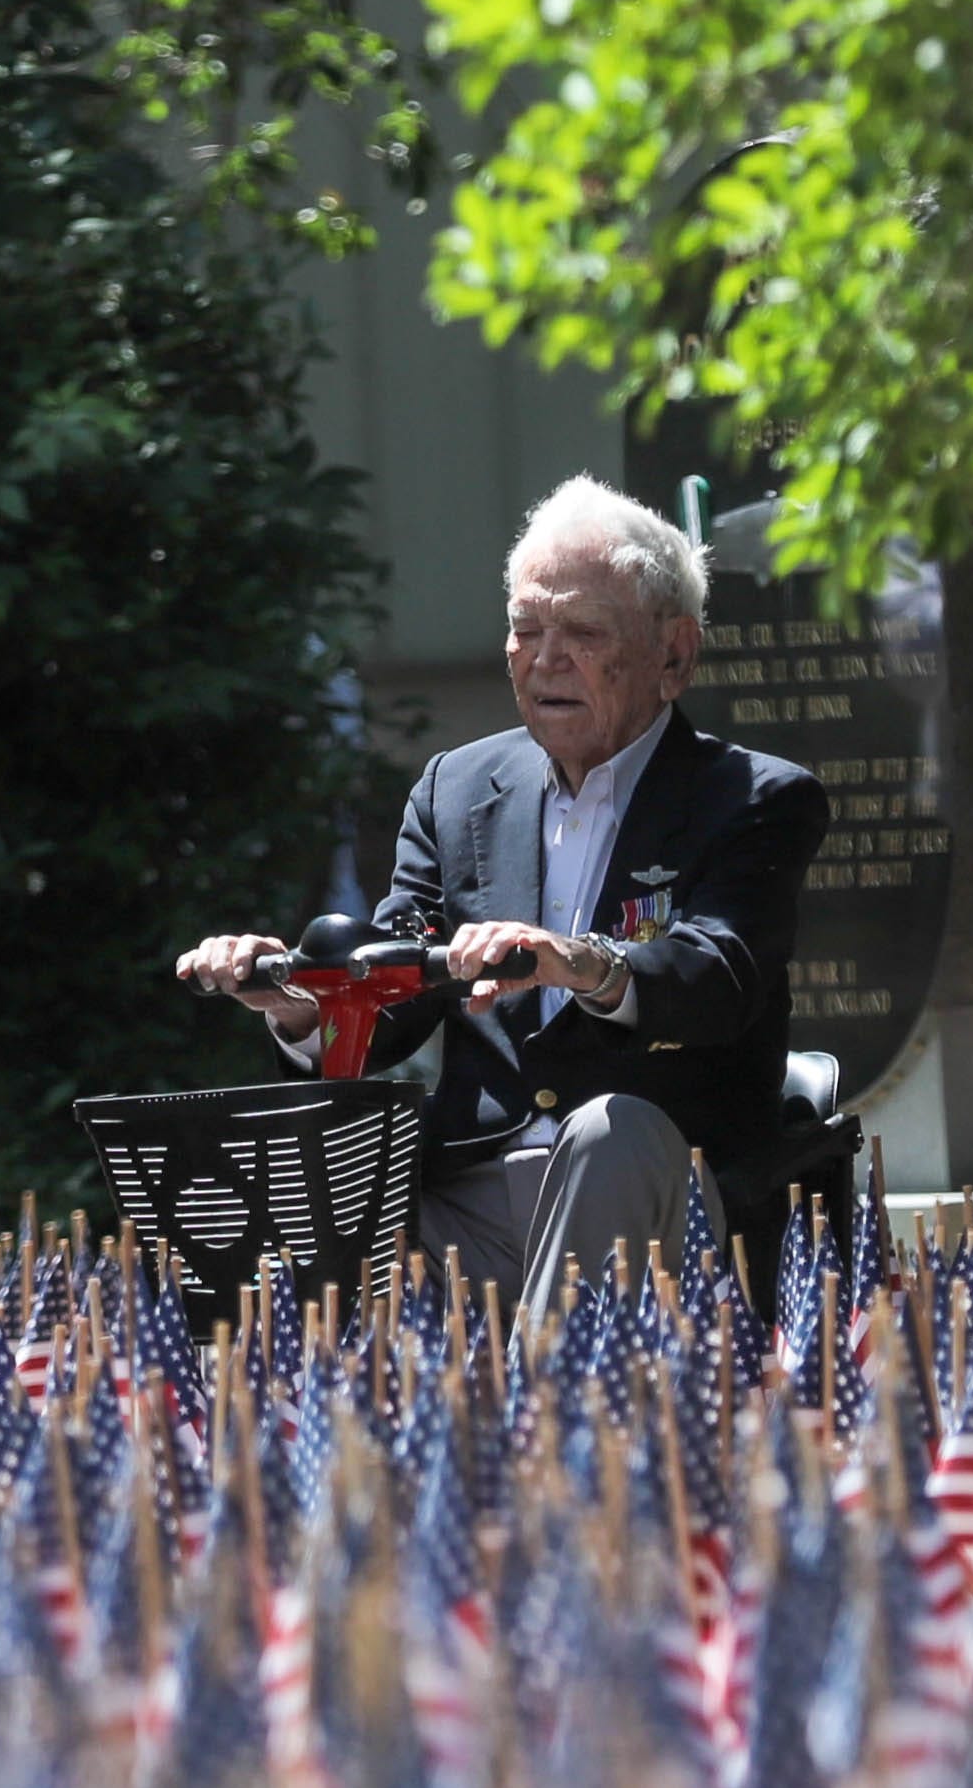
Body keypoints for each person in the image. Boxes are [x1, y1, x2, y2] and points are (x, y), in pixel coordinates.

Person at [176, 474, 827, 1333]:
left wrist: (582, 963)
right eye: (525, 628)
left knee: (611, 1129)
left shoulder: (753, 797)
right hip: (466, 1200)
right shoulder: (455, 790)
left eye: (583, 632)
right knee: (314, 1174)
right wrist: (298, 1002)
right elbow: (396, 984)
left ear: (673, 655)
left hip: (664, 1194)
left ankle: (542, 1434)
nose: (544, 657)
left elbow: (720, 978)